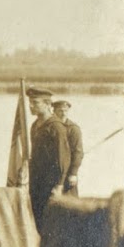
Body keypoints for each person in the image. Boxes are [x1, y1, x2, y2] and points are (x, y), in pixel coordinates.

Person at [26, 86, 70, 226]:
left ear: (47, 105)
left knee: (52, 222)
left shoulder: (56, 127)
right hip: (36, 182)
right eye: (30, 102)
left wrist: (59, 184)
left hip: (50, 182)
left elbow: (63, 158)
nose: (31, 106)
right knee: (37, 219)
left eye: (35, 103)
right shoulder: (35, 126)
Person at [51, 98, 83, 195]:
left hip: (67, 171)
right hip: (51, 170)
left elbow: (78, 152)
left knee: (69, 200)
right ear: (54, 111)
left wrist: (73, 173)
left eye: (66, 111)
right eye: (60, 111)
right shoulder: (50, 126)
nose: (63, 113)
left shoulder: (73, 129)